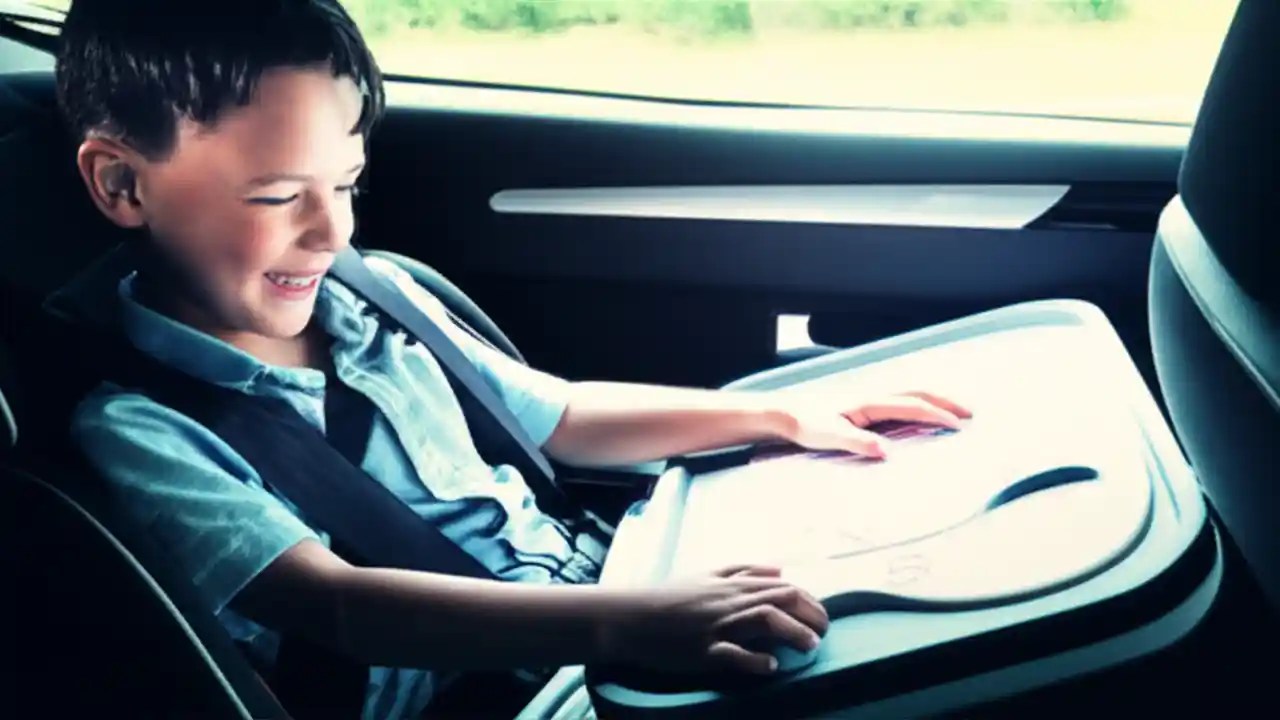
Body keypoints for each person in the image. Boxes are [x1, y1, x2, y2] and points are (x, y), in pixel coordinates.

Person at [58, 1, 971, 718]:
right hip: (500, 691)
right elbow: (341, 604)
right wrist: (624, 627)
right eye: (276, 195)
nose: (332, 230)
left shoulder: (370, 298)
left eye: (346, 185)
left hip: (609, 601)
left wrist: (777, 418)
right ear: (122, 183)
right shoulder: (140, 428)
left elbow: (559, 415)